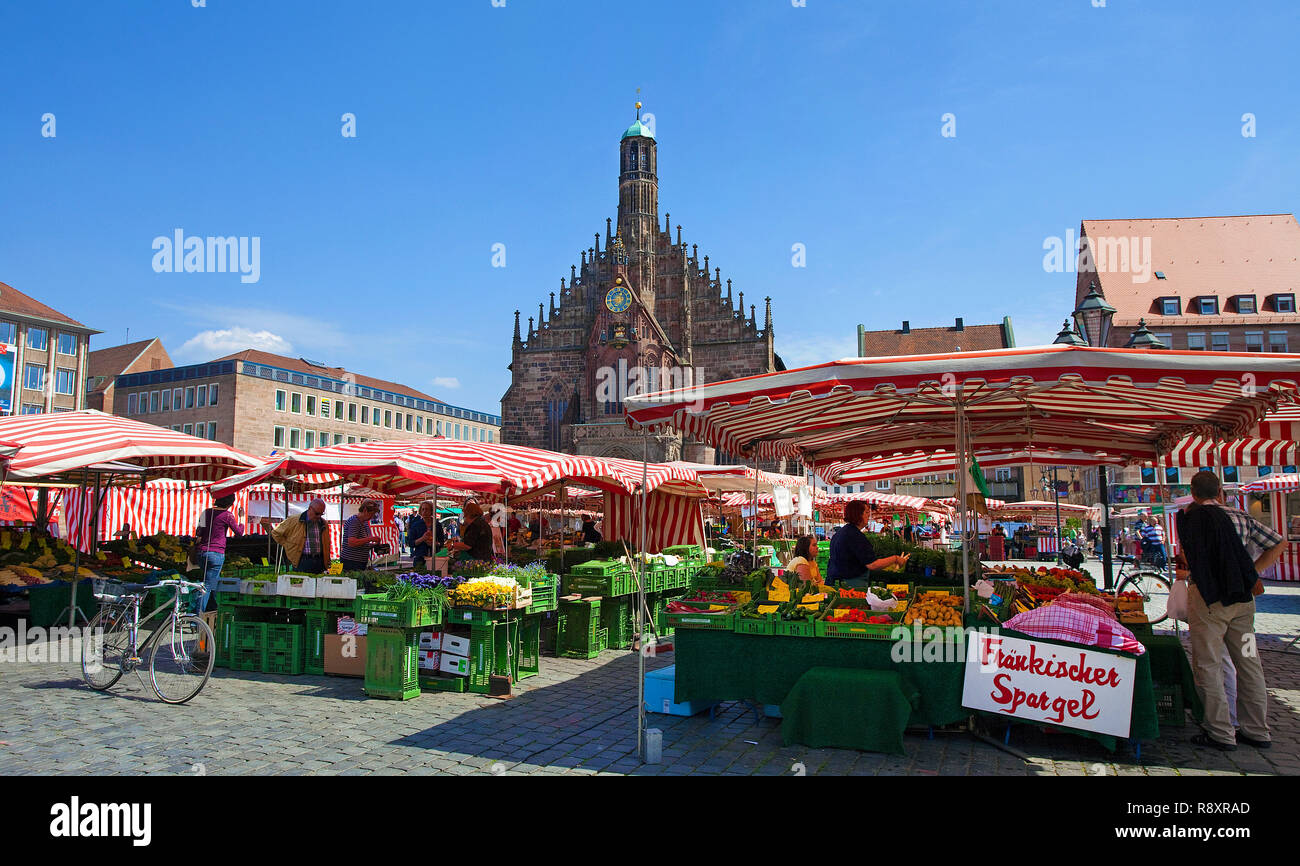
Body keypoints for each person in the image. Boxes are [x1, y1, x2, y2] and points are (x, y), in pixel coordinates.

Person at [1175, 470, 1286, 751]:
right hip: (1243, 603)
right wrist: (1252, 573)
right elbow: (1279, 543)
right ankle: (1257, 730)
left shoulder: (1194, 519)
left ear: (1194, 492)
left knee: (1209, 664)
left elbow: (1191, 558)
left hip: (1209, 602)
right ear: (1221, 492)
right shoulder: (1241, 516)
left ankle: (1221, 732)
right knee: (1249, 662)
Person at [826, 500, 909, 587]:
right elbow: (872, 564)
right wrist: (895, 559)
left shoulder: (840, 533)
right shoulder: (855, 536)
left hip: (834, 581)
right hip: (849, 585)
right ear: (858, 514)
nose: (868, 516)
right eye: (866, 512)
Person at [193, 494, 244, 613]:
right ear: (230, 504)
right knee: (207, 586)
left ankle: (212, 611)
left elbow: (199, 532)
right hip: (216, 554)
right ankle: (195, 619)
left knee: (211, 583)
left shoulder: (206, 512)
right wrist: (241, 517)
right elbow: (239, 533)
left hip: (202, 552)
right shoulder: (227, 515)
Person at [268, 498, 331, 574]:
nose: (319, 516)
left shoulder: (323, 523)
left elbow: (327, 543)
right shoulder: (294, 520)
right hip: (302, 561)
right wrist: (287, 545)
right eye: (317, 513)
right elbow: (276, 533)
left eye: (321, 514)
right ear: (310, 509)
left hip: (319, 561)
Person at [340, 499, 384, 572]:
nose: (372, 517)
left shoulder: (365, 523)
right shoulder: (354, 521)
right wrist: (371, 539)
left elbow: (362, 544)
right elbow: (352, 542)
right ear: (365, 510)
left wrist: (374, 545)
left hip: (360, 562)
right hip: (351, 562)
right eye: (371, 514)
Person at [407, 500, 446, 574]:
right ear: (420, 511)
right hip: (420, 558)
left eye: (427, 509)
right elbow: (411, 543)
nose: (424, 511)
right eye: (423, 509)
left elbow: (442, 543)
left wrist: (434, 543)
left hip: (435, 558)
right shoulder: (416, 525)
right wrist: (422, 538)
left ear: (431, 511)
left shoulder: (437, 525)